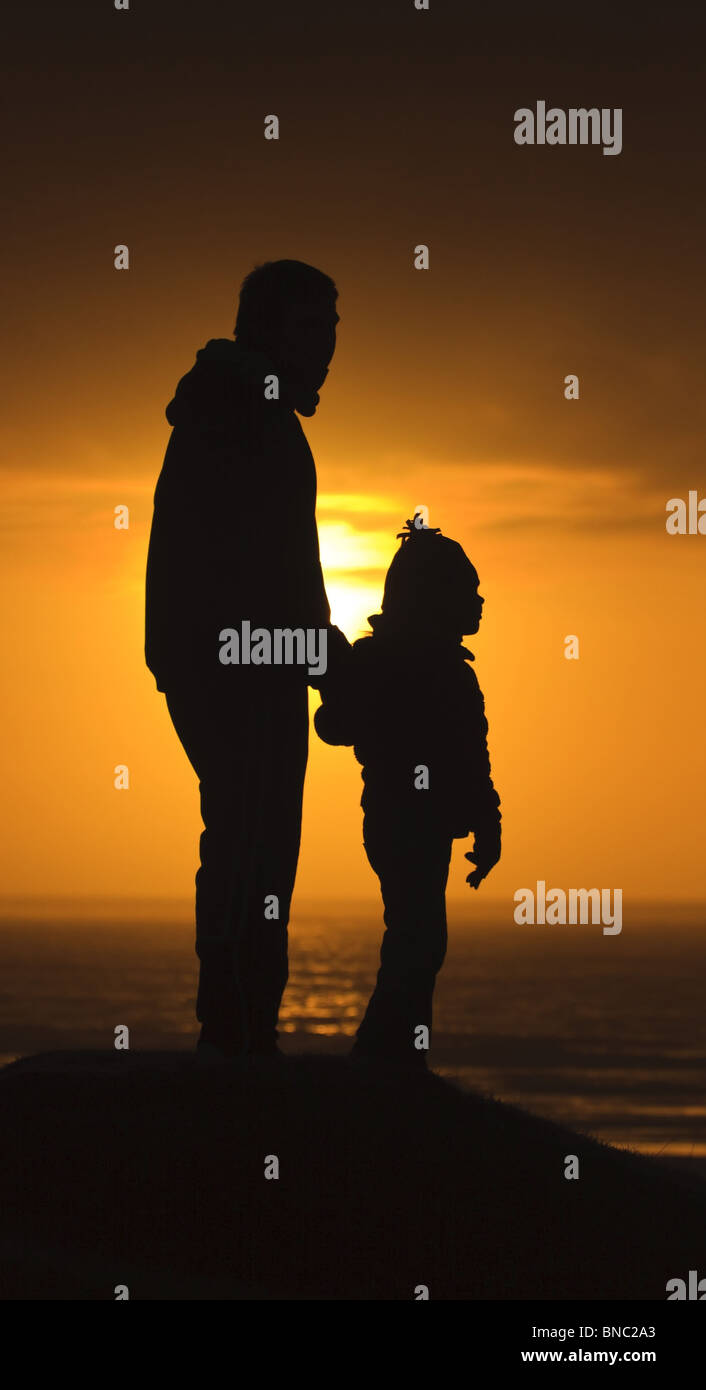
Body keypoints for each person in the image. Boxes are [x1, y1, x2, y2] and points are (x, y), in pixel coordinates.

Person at [145, 260, 348, 1059]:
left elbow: (272, 571)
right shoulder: (250, 416)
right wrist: (327, 660)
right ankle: (238, 1033)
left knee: (240, 833)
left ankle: (235, 1028)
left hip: (222, 659)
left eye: (333, 328)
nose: (328, 346)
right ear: (266, 329)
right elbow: (271, 571)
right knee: (255, 841)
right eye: (311, 327)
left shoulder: (230, 408)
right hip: (243, 665)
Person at [314, 516, 502, 1071]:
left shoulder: (426, 668)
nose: (479, 601)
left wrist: (486, 823)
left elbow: (471, 759)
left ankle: (394, 1055)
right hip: (400, 819)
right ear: (433, 600)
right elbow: (337, 725)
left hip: (413, 821)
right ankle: (387, 1055)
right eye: (467, 591)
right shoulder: (409, 667)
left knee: (418, 936)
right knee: (418, 936)